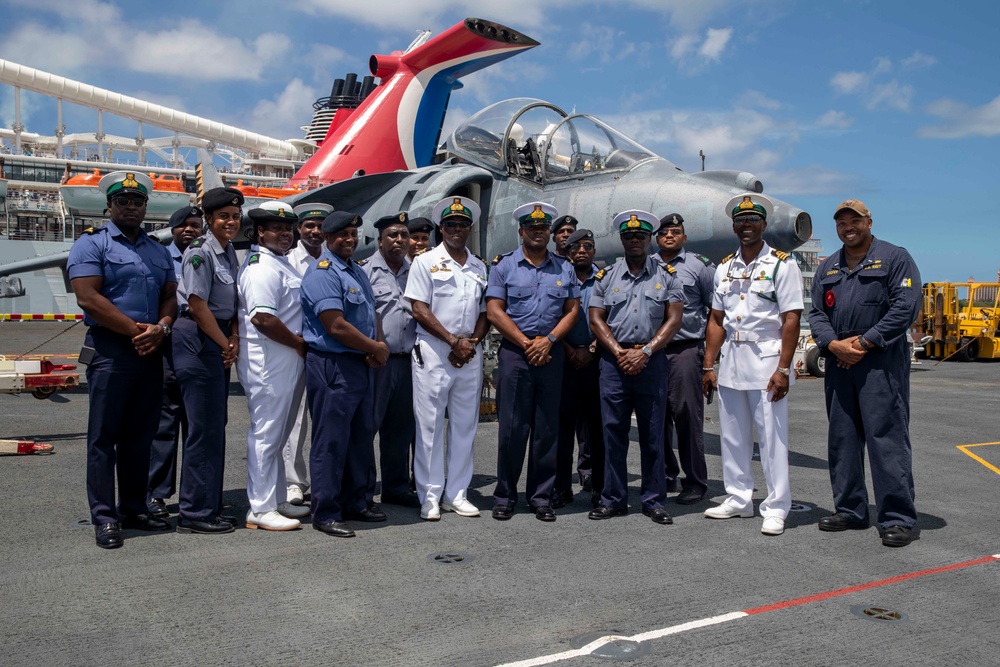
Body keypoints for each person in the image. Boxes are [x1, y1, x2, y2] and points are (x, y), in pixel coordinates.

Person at [67, 171, 176, 549]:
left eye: (137, 201)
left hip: (149, 350)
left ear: (146, 206)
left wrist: (161, 327)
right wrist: (137, 331)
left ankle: (133, 508)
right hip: (112, 350)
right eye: (123, 201)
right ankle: (105, 516)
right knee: (104, 438)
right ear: (109, 206)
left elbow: (170, 297)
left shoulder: (158, 249)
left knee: (141, 435)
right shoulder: (91, 244)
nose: (131, 207)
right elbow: (88, 297)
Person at [809, 199, 921, 548]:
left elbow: (906, 306)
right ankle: (851, 510)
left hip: (880, 362)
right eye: (841, 223)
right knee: (842, 438)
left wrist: (866, 342)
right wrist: (834, 345)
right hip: (840, 361)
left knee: (886, 437)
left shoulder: (894, 258)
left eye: (854, 220)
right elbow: (815, 313)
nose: (848, 227)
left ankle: (898, 518)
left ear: (869, 222)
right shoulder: (828, 267)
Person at [702, 193, 803, 537]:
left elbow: (791, 318)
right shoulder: (724, 267)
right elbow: (716, 319)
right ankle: (739, 498)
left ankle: (776, 507)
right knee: (732, 436)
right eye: (741, 221)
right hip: (732, 359)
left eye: (753, 220)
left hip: (766, 360)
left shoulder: (781, 264)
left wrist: (784, 368)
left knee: (772, 438)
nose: (747, 226)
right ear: (734, 226)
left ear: (763, 224)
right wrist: (708, 365)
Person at [587, 210, 684, 525]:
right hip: (613, 364)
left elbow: (674, 318)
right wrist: (618, 351)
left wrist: (645, 350)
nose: (635, 240)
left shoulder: (667, 274)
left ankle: (654, 500)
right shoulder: (606, 276)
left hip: (652, 361)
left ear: (649, 239)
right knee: (612, 432)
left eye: (641, 236)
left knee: (654, 432)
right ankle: (613, 499)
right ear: (622, 239)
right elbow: (595, 318)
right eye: (629, 236)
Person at [486, 202, 580, 522]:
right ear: (521, 231)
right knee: (512, 428)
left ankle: (541, 496)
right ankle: (505, 495)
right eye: (532, 228)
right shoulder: (504, 266)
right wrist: (526, 343)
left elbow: (572, 310)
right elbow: (495, 310)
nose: (538, 233)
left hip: (550, 353)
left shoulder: (563, 268)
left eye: (543, 229)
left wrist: (549, 340)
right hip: (516, 353)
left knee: (547, 429)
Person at [300, 211, 389, 538]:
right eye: (342, 235)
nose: (349, 240)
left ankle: (356, 501)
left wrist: (377, 344)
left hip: (360, 362)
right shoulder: (323, 272)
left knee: (360, 437)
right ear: (327, 237)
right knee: (331, 440)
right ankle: (326, 511)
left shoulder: (356, 270)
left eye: (353, 233)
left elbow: (370, 311)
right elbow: (335, 325)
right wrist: (375, 347)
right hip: (332, 364)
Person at [404, 198, 490, 520]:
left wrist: (470, 343)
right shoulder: (425, 262)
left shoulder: (478, 266)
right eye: (451, 224)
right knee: (429, 426)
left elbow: (485, 312)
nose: (457, 230)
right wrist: (453, 341)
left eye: (463, 225)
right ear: (441, 228)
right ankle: (429, 496)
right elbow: (418, 308)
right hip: (435, 351)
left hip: (469, 352)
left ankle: (457, 493)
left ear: (469, 229)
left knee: (465, 425)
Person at [173, 187, 244, 535]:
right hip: (198, 340)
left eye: (234, 216)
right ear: (209, 219)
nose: (230, 222)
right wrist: (225, 343)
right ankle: (195, 513)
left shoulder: (229, 252)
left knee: (215, 427)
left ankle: (209, 505)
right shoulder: (199, 253)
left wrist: (233, 337)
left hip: (216, 339)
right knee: (202, 429)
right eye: (224, 217)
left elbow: (231, 303)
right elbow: (198, 305)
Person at [237, 201, 311, 531]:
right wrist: (298, 344)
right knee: (267, 434)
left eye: (287, 228)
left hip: (286, 360)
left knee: (279, 435)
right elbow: (263, 318)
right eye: (275, 228)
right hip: (269, 361)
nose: (283, 234)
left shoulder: (282, 264)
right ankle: (261, 507)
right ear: (260, 232)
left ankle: (278, 499)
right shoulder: (260, 267)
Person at [359, 212, 420, 509]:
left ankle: (396, 488)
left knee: (401, 428)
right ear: (380, 240)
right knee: (368, 426)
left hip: (409, 361)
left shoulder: (417, 270)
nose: (400, 240)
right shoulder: (366, 271)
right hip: (377, 361)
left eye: (404, 235)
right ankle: (364, 490)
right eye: (393, 235)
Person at [654, 213, 716, 505]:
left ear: (684, 237)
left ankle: (695, 482)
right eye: (664, 232)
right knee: (656, 418)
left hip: (685, 349)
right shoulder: (648, 265)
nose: (669, 236)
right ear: (656, 238)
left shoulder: (699, 267)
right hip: (652, 351)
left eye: (675, 231)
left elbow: (716, 313)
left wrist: (709, 362)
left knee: (687, 417)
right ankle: (666, 475)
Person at [147, 204, 203, 518]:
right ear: (173, 229)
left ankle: (195, 494)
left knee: (198, 423)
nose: (191, 230)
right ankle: (156, 493)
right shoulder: (158, 258)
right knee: (165, 421)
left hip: (198, 344)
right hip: (167, 344)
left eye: (196, 225)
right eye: (184, 225)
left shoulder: (209, 257)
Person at [281, 202, 332, 506]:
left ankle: (325, 479)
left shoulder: (335, 260)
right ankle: (293, 481)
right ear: (298, 229)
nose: (315, 231)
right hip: (296, 347)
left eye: (320, 226)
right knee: (296, 417)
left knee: (326, 418)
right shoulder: (287, 261)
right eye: (309, 226)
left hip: (327, 349)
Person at [553, 228, 605, 508]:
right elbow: (549, 317)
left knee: (598, 430)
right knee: (562, 431)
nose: (582, 250)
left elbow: (614, 318)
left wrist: (594, 347)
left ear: (594, 250)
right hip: (565, 362)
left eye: (587, 245)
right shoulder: (559, 277)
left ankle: (599, 487)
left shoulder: (606, 279)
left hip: (598, 364)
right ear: (568, 252)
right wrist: (570, 350)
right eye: (576, 247)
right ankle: (561, 487)